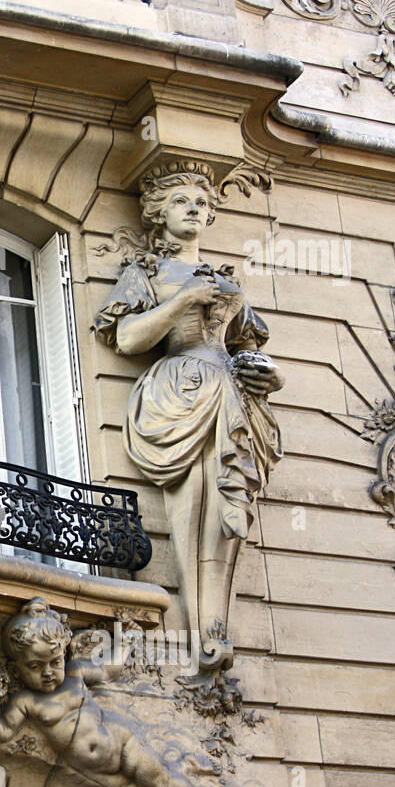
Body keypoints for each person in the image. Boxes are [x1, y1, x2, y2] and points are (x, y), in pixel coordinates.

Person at [92, 161, 283, 698]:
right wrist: (182, 301)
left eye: (201, 201)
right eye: (181, 201)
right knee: (192, 503)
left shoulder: (229, 283)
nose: (194, 209)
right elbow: (127, 340)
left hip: (232, 393)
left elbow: (251, 350)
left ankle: (215, 630)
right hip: (180, 391)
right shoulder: (147, 274)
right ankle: (201, 632)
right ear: (158, 212)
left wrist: (270, 375)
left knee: (229, 508)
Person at [0, 598, 229, 787]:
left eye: (55, 662)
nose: (48, 673)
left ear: (65, 655)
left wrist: (125, 644)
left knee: (159, 782)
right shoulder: (27, 701)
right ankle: (184, 773)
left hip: (122, 739)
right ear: (16, 671)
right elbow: (5, 730)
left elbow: (108, 670)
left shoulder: (75, 673)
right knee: (155, 784)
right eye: (36, 666)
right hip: (94, 766)